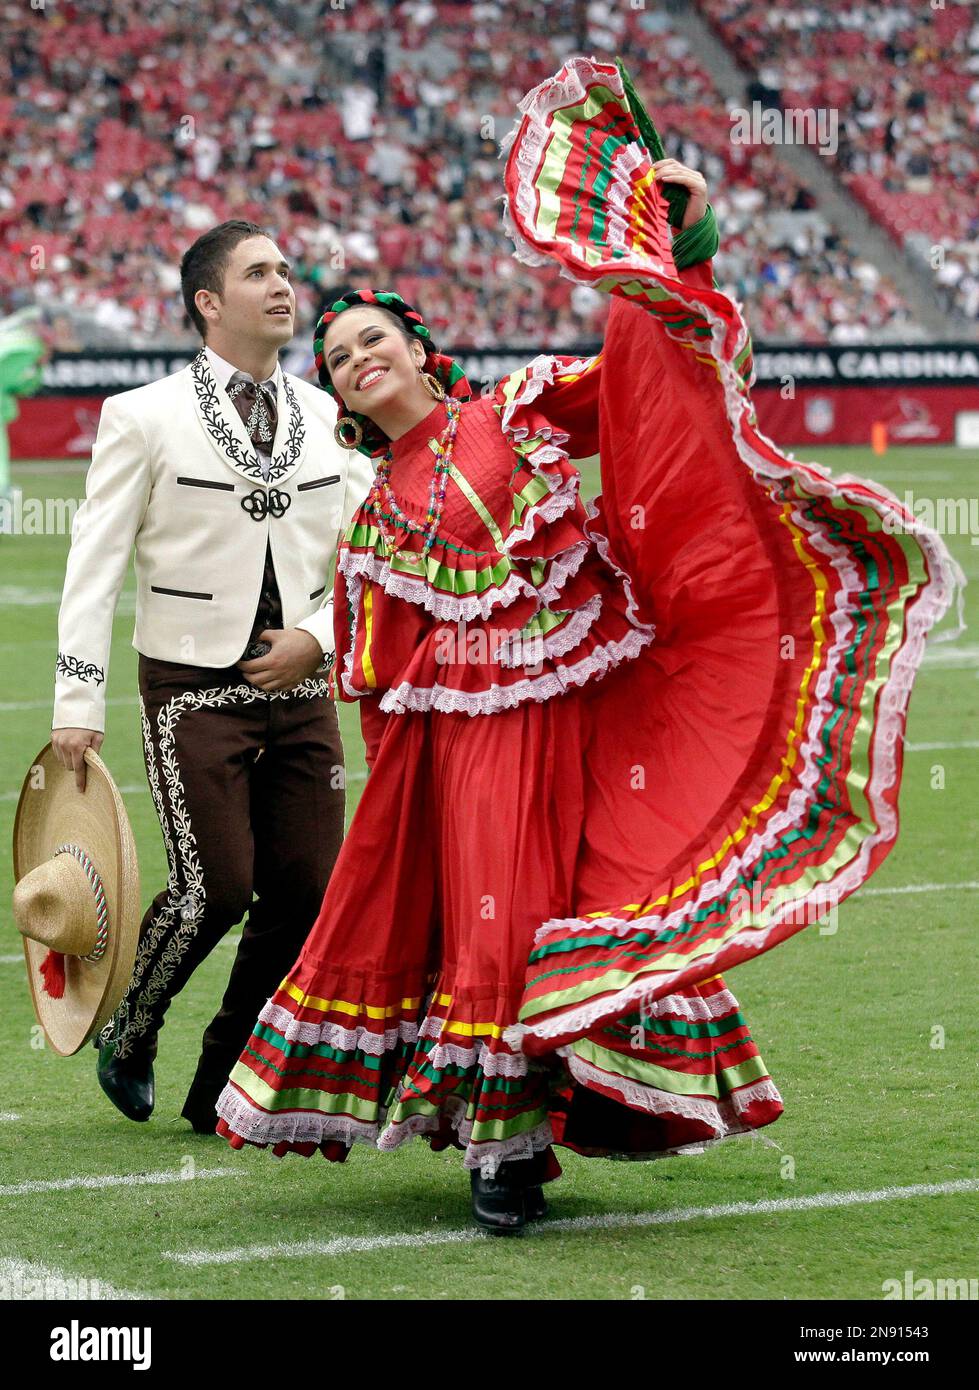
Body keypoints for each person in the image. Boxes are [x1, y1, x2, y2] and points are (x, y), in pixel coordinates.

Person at [215, 59, 961, 1231]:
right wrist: (328, 678)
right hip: (460, 762)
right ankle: (500, 1153)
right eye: (342, 359)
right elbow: (376, 671)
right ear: (348, 405)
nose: (361, 359)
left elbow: (651, 374)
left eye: (374, 340)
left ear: (418, 350)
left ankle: (539, 1120)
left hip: (579, 725)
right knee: (490, 920)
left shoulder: (513, 410)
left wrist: (681, 242)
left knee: (570, 898)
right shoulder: (373, 522)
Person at [51, 219, 373, 1132]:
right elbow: (93, 563)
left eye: (284, 271)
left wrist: (317, 635)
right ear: (207, 301)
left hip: (304, 690)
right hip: (191, 693)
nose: (284, 285)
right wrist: (77, 700)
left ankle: (224, 1078)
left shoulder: (325, 412)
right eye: (259, 273)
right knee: (215, 889)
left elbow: (367, 549)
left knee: (306, 893)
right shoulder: (140, 414)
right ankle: (134, 1028)